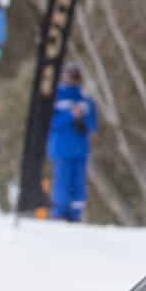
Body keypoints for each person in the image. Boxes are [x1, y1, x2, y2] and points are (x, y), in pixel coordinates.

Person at [46, 62, 100, 223]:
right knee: (62, 182)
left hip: (80, 149)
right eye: (69, 75)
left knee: (79, 183)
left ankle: (76, 215)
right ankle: (59, 214)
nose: (72, 79)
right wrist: (71, 115)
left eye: (75, 76)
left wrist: (83, 120)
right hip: (61, 148)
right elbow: (51, 123)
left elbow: (93, 126)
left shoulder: (86, 100)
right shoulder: (56, 97)